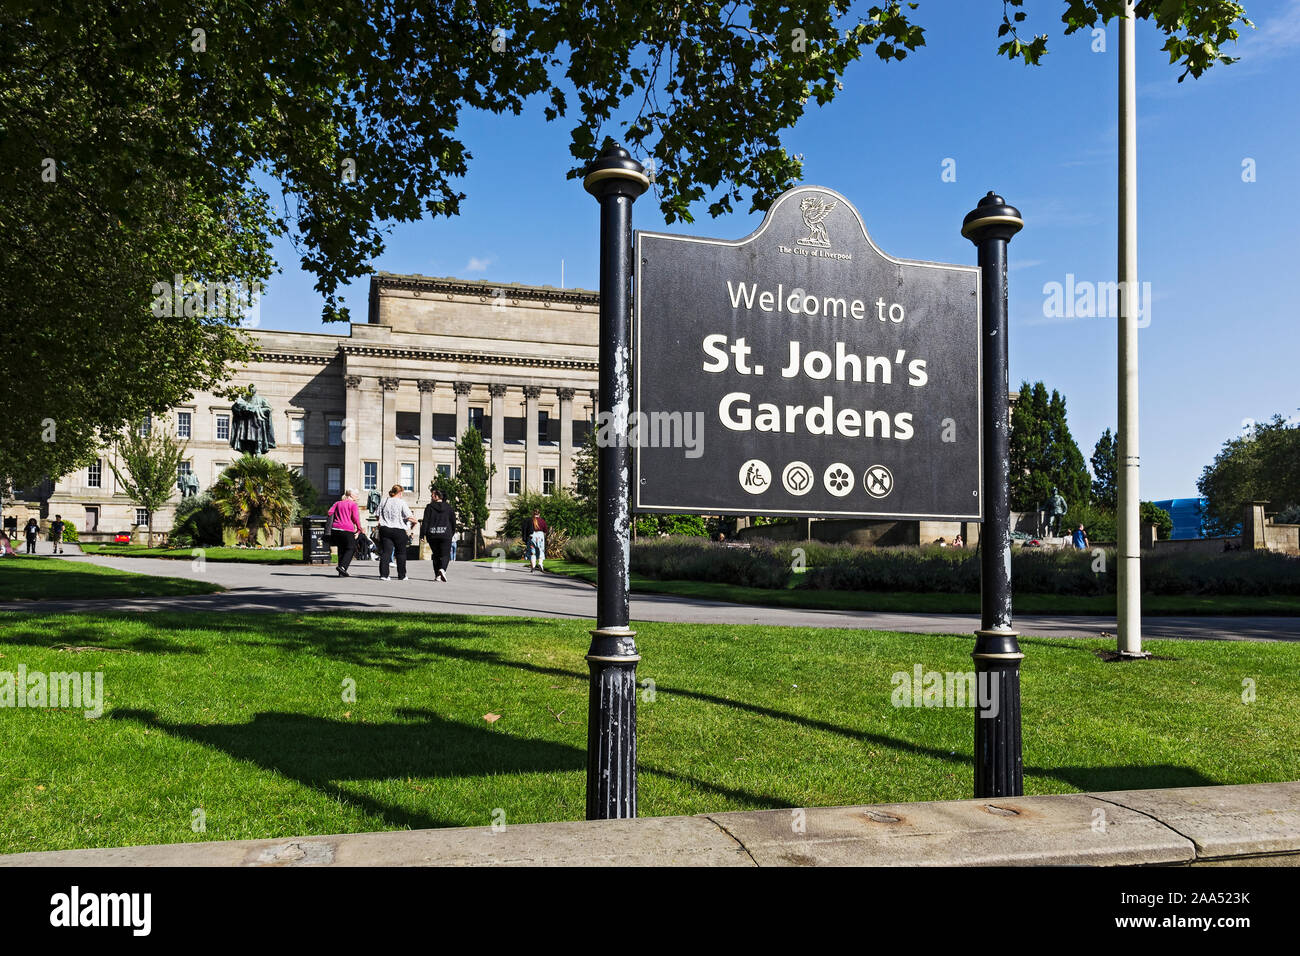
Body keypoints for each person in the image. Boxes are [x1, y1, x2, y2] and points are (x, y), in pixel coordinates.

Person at [375, 484, 417, 581]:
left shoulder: (383, 501)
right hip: (399, 530)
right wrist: (414, 523)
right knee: (401, 553)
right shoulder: (401, 502)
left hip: (385, 529)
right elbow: (409, 516)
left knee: (386, 552)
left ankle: (384, 575)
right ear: (400, 492)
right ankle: (402, 575)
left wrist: (381, 522)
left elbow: (377, 515)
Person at [421, 487, 456, 582]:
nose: (431, 497)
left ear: (437, 496)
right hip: (445, 534)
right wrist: (451, 533)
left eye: (432, 495)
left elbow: (425, 522)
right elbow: (453, 522)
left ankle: (437, 575)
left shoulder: (429, 507)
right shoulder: (449, 507)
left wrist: (422, 534)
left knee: (436, 555)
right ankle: (442, 569)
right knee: (445, 554)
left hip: (432, 534)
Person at [327, 489, 362, 577]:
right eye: (356, 494)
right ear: (351, 495)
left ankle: (341, 572)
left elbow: (330, 512)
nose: (357, 496)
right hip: (347, 529)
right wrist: (359, 529)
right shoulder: (353, 504)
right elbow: (355, 518)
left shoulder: (337, 503)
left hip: (335, 529)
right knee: (351, 548)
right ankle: (342, 567)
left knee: (342, 549)